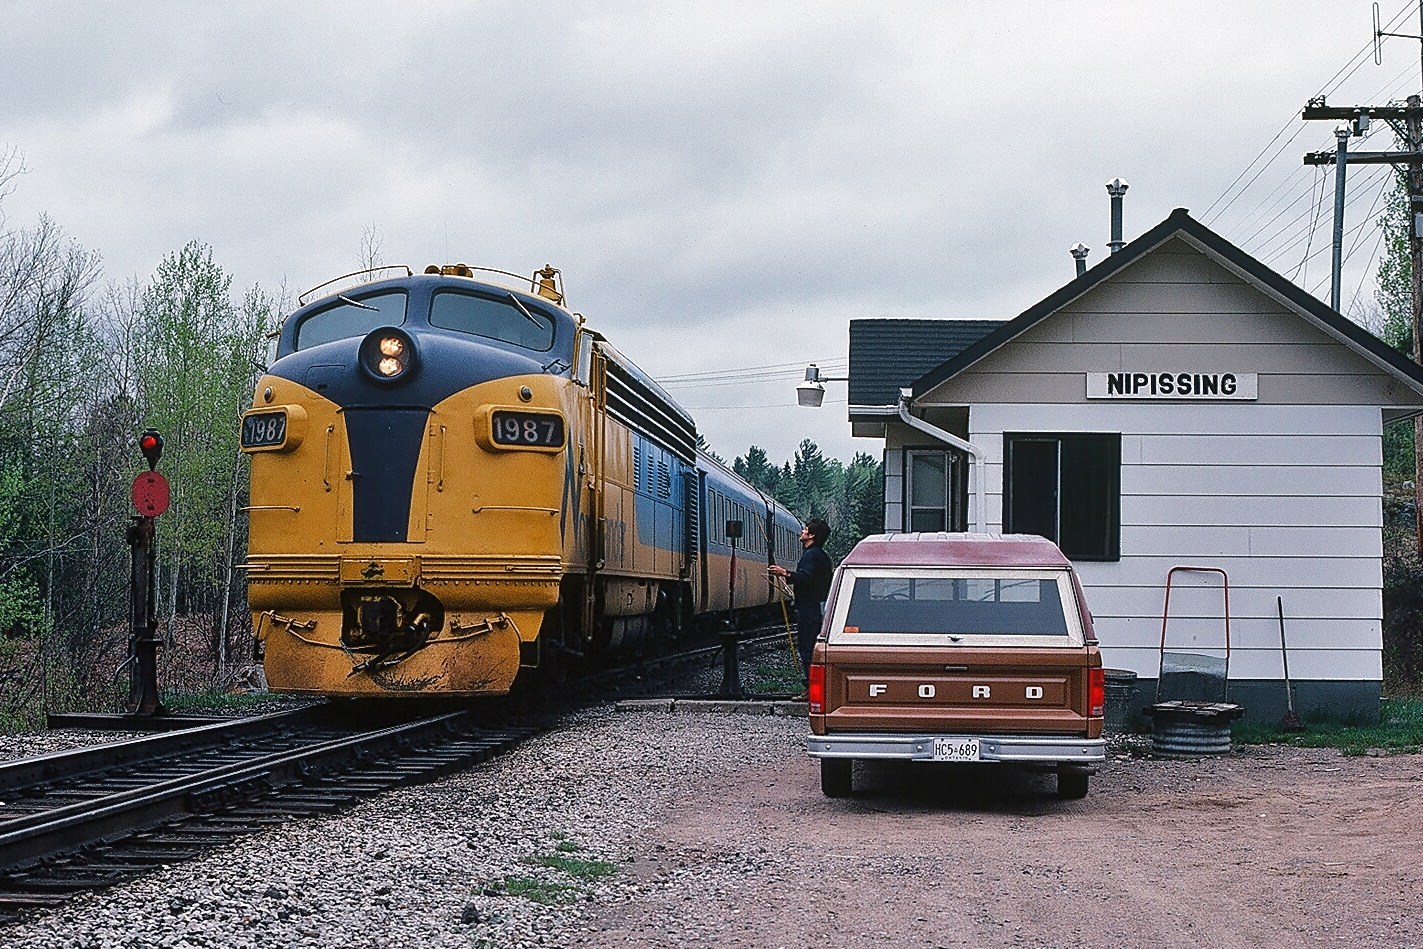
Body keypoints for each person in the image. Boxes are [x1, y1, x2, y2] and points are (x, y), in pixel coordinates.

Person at [768, 517, 833, 688]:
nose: (801, 531)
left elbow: (806, 577)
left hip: (809, 608)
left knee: (807, 649)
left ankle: (811, 688)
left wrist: (785, 573)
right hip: (817, 606)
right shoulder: (821, 555)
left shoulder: (811, 555)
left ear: (811, 535)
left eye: (805, 529)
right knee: (811, 648)